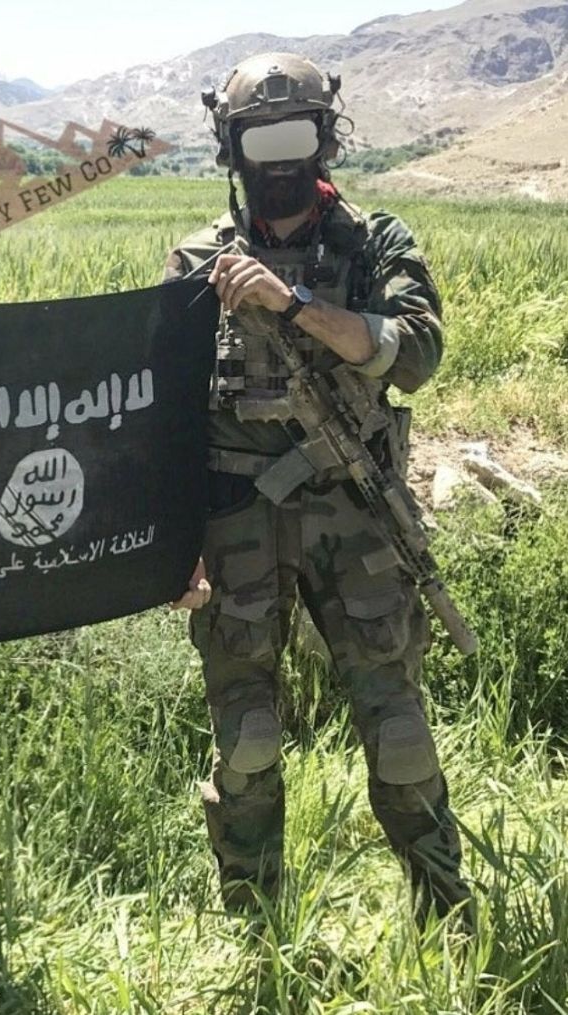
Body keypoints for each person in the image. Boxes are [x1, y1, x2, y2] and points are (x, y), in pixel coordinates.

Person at [165, 53, 472, 924]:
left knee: (401, 737)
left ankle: (444, 911)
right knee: (248, 739)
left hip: (356, 514)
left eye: (295, 137)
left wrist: (293, 303)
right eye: (260, 141)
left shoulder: (373, 243)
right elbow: (162, 424)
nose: (279, 160)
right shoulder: (194, 262)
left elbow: (414, 353)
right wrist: (173, 547)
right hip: (236, 525)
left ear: (324, 140)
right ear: (232, 150)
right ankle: (255, 924)